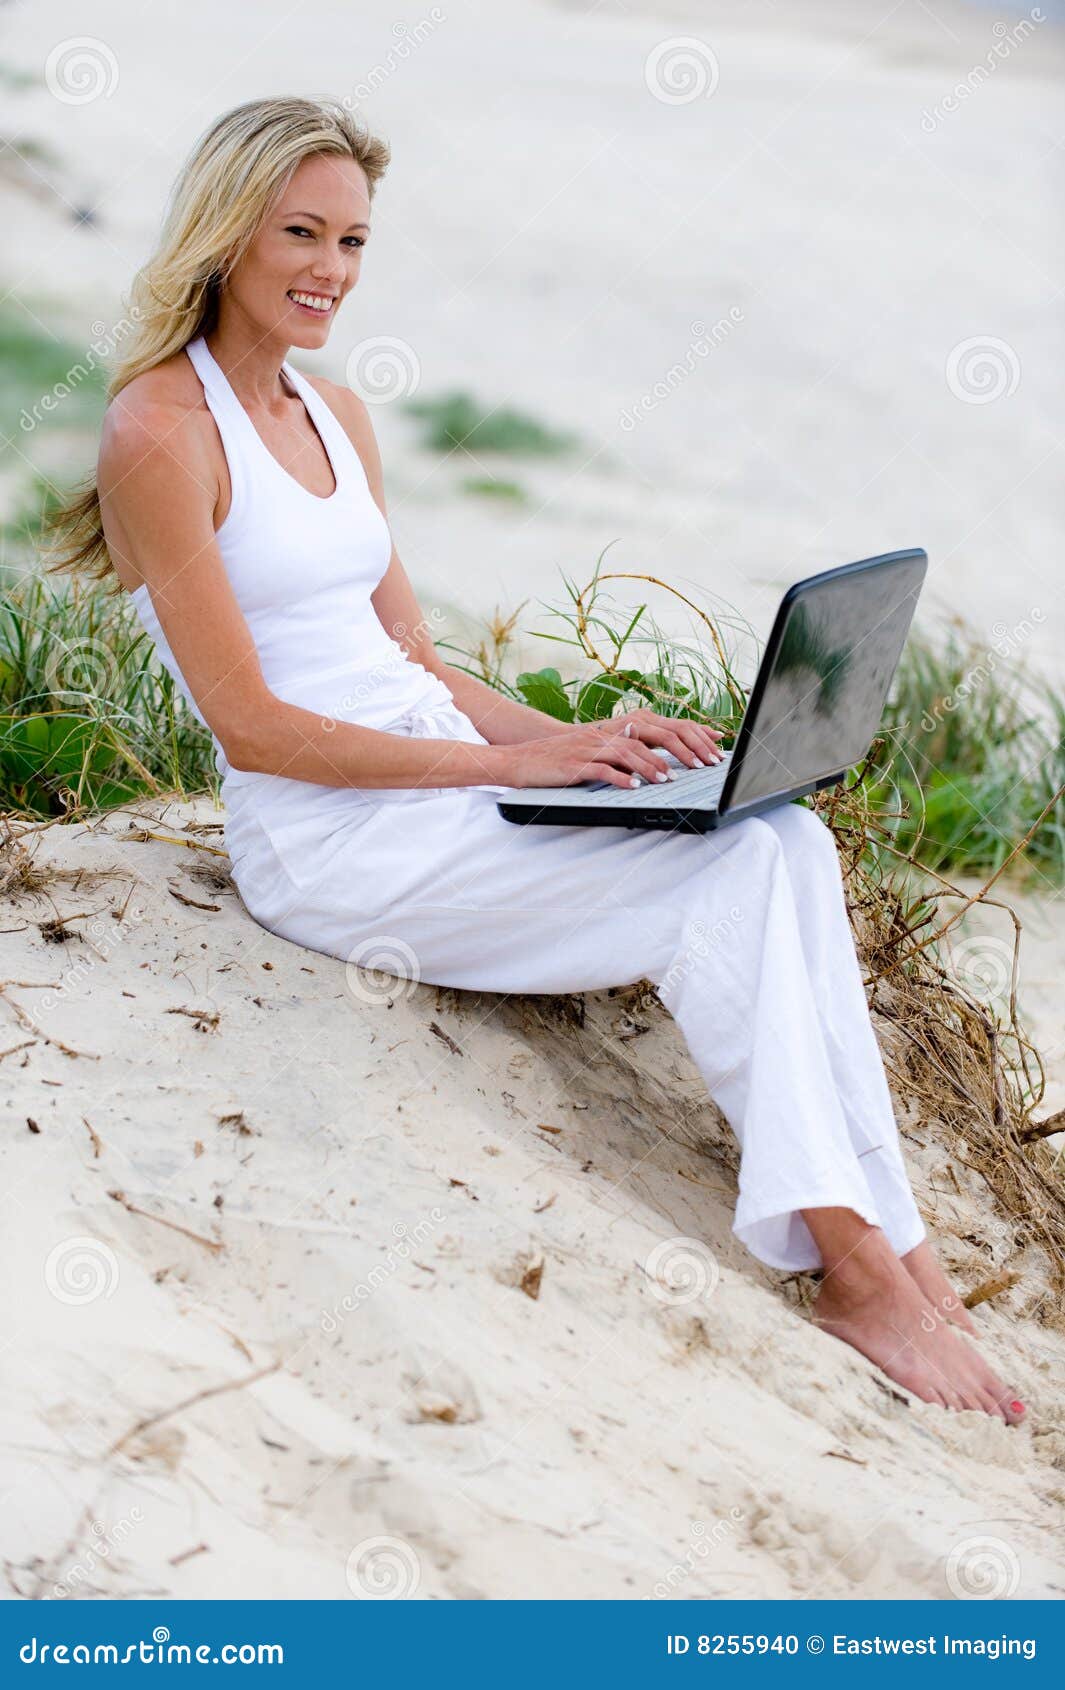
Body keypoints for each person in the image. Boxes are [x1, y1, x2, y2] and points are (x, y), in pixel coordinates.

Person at [44, 96, 1024, 1425]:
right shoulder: (160, 433)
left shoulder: (336, 416)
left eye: (352, 241)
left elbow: (420, 669)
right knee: (725, 882)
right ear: (225, 234)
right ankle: (852, 1271)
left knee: (780, 837)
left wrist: (583, 742)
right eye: (300, 233)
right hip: (331, 844)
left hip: (436, 785)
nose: (330, 268)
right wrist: (515, 768)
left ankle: (903, 1253)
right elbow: (254, 731)